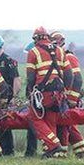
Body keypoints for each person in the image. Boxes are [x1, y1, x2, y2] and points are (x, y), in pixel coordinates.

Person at [0, 33, 36, 156]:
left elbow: (16, 81)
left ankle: (10, 151)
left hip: (7, 98)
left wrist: (12, 97)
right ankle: (5, 151)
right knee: (0, 125)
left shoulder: (8, 61)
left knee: (6, 123)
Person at [24, 27, 72, 158]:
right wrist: (65, 90)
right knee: (50, 119)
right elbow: (69, 74)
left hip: (43, 93)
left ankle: (54, 145)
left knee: (33, 118)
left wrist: (30, 93)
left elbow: (30, 77)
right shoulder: (60, 51)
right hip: (59, 92)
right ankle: (53, 153)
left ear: (36, 39)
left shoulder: (33, 52)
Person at [50, 32, 84, 158]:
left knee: (63, 126)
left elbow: (78, 79)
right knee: (69, 125)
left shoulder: (69, 58)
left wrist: (71, 99)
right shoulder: (60, 58)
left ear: (61, 43)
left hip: (69, 99)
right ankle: (81, 153)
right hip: (64, 98)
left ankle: (61, 153)